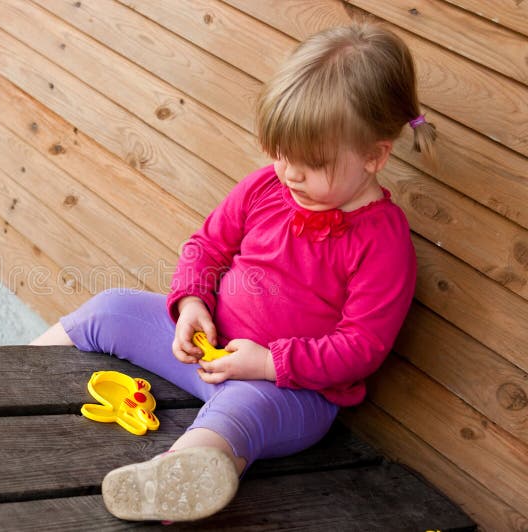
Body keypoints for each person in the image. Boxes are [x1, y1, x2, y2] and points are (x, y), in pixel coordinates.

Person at [30, 21, 436, 522]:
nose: (290, 172)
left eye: (311, 162)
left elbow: (361, 348)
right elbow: (207, 246)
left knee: (237, 416)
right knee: (111, 307)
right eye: (282, 152)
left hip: (287, 391)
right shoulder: (268, 187)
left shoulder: (382, 242)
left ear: (375, 156)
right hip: (208, 349)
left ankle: (177, 479)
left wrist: (268, 364)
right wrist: (192, 304)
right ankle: (5, 376)